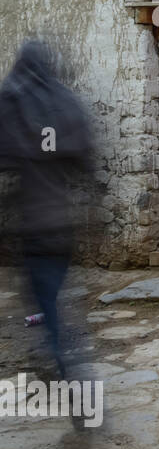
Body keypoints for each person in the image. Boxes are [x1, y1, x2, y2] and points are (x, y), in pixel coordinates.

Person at [0, 40, 95, 380]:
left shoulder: (13, 102)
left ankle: (62, 358)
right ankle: (60, 352)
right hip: (62, 224)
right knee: (53, 295)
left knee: (44, 300)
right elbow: (85, 161)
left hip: (32, 227)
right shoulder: (63, 101)